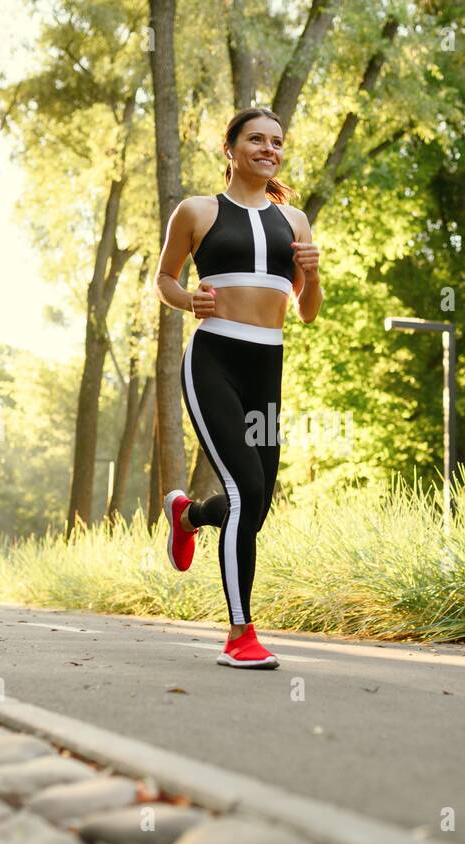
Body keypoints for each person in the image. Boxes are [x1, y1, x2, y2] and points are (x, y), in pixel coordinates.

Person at [153, 106, 324, 670]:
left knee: (254, 508)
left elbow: (308, 314)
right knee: (245, 487)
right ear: (230, 148)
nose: (268, 148)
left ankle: (191, 516)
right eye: (256, 139)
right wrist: (187, 300)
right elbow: (165, 279)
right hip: (214, 359)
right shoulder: (197, 211)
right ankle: (239, 633)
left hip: (266, 368)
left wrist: (314, 273)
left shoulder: (295, 222)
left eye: (276, 141)